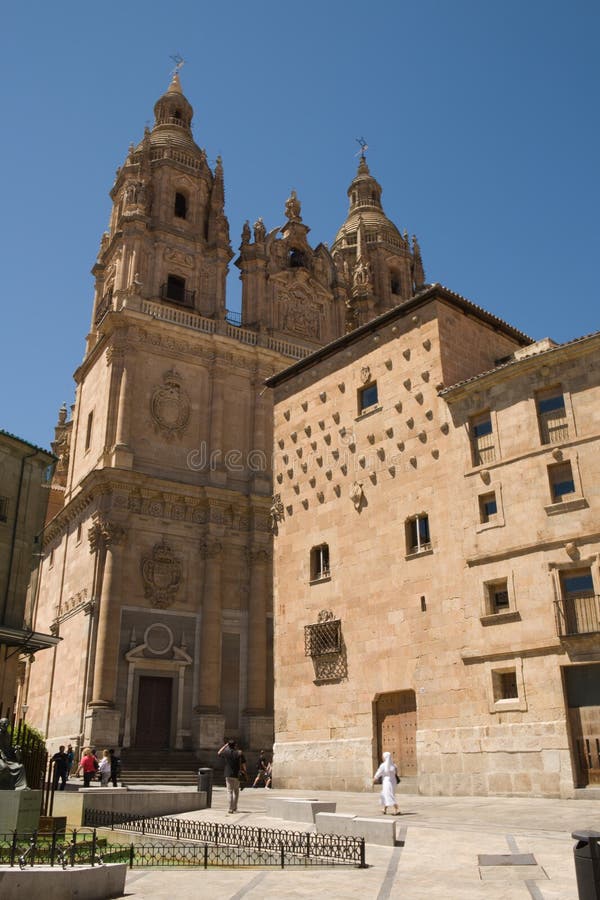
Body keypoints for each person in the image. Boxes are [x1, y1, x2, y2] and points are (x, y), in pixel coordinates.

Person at [218, 739, 246, 814]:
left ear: (228, 745)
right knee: (236, 792)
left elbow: (219, 752)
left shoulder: (226, 752)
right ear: (235, 745)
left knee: (229, 791)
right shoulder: (239, 753)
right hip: (237, 774)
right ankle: (235, 807)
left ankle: (230, 808)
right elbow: (243, 764)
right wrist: (244, 772)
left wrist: (225, 745)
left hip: (228, 774)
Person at [0, 717, 27, 790]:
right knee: (4, 767)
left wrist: (15, 749)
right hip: (1, 757)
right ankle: (4, 786)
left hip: (6, 757)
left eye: (7, 724)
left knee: (20, 767)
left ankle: (20, 786)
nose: (6, 725)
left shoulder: (7, 735)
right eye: (4, 723)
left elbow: (8, 747)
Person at [373, 751, 400, 815]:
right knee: (386, 794)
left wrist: (374, 779)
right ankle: (384, 809)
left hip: (387, 782)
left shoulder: (383, 765)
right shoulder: (394, 765)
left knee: (389, 795)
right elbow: (396, 773)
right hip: (393, 782)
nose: (382, 758)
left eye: (383, 756)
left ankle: (397, 809)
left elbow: (378, 773)